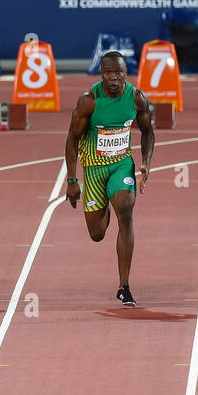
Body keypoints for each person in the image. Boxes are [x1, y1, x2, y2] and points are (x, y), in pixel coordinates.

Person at [64, 51, 156, 305]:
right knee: (97, 234)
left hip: (121, 165)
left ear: (126, 74)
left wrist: (146, 162)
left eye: (119, 72)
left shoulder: (137, 98)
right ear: (101, 74)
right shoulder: (89, 101)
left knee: (126, 212)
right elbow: (72, 139)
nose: (113, 78)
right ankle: (103, 204)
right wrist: (72, 181)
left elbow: (148, 132)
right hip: (93, 169)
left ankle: (124, 286)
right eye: (108, 73)